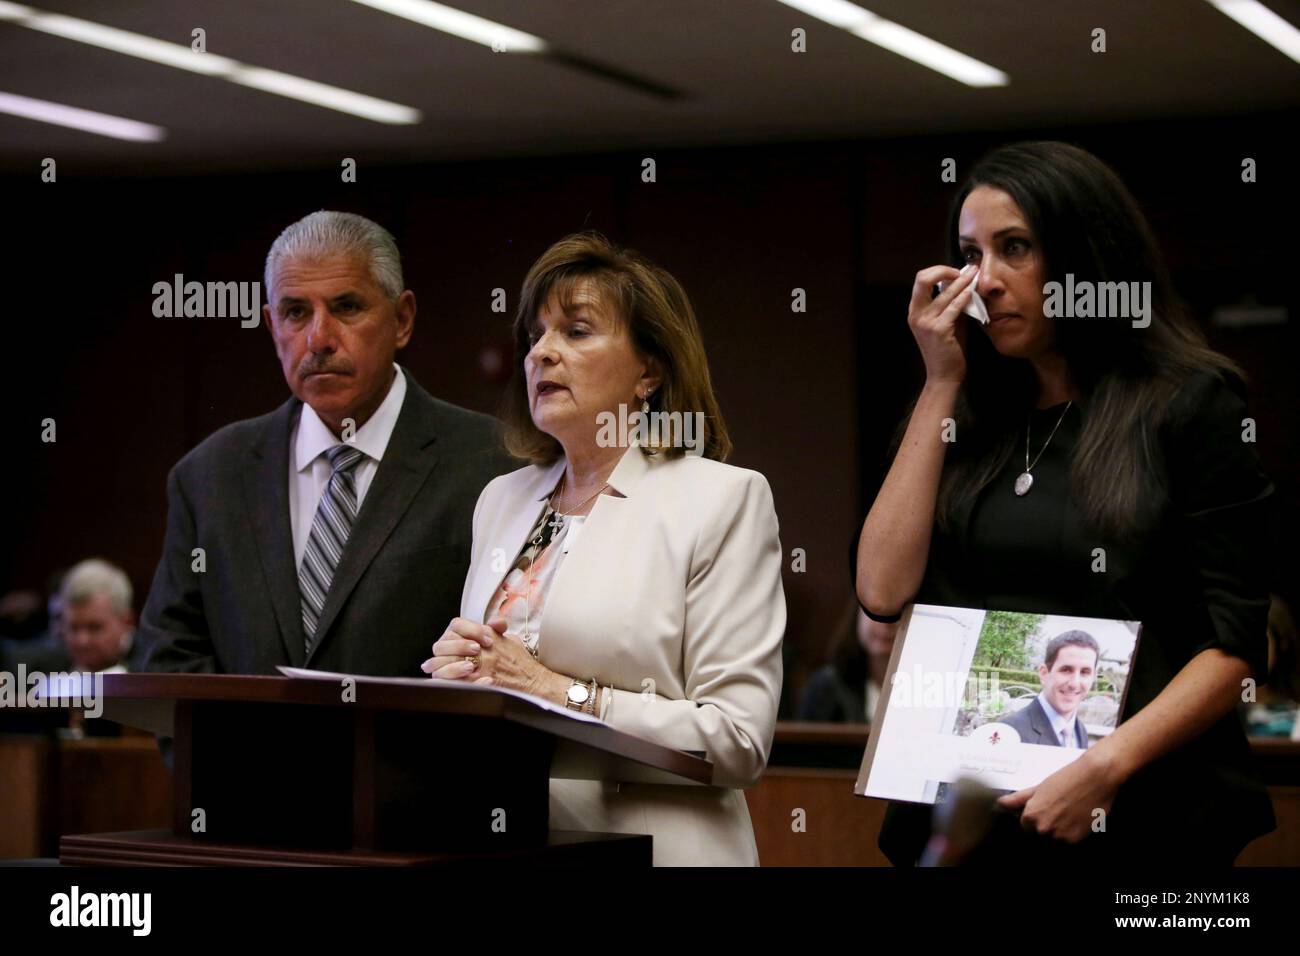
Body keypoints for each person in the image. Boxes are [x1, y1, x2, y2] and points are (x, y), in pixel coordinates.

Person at [854, 142, 1275, 866]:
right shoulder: (968, 411)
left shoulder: (1188, 403)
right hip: (970, 810)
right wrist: (938, 382)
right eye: (969, 253)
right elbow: (882, 591)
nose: (983, 280)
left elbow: (1236, 644)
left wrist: (1103, 767)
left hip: (1136, 803)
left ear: (1086, 258)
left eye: (1014, 248)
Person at [424, 232, 786, 866]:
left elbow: (736, 741)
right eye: (535, 336)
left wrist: (556, 691)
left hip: (656, 849)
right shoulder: (501, 501)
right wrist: (458, 680)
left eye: (577, 331)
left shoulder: (721, 500)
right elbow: (502, 679)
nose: (543, 353)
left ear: (649, 370)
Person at [140, 211, 515, 675]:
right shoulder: (210, 475)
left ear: (402, 319)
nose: (318, 339)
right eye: (295, 312)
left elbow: (510, 657)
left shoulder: (492, 463)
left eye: (346, 307)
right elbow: (169, 659)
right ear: (271, 326)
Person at [993, 631, 1098, 749]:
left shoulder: (1080, 731)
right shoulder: (1009, 733)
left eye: (1085, 672)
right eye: (1066, 670)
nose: (1074, 683)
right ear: (1044, 673)